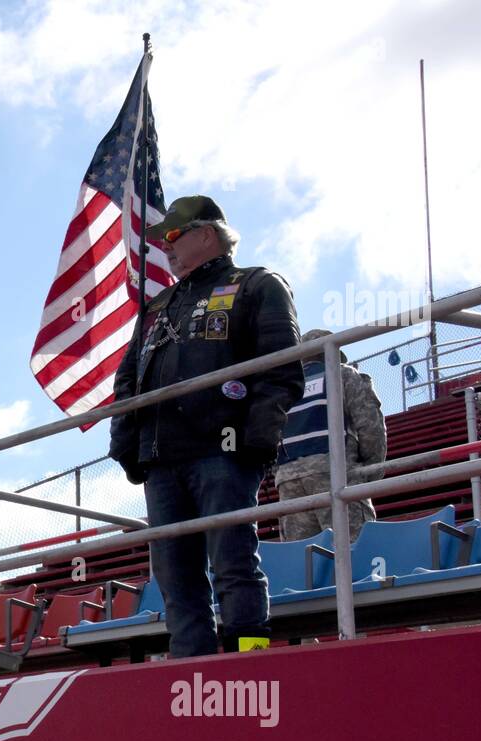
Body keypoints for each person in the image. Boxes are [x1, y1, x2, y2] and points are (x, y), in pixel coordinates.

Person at [109, 195, 304, 658]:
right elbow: (127, 381)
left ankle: (251, 660)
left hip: (224, 452)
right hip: (161, 461)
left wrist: (257, 441)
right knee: (175, 580)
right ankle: (188, 669)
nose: (166, 248)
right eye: (162, 241)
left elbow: (281, 370)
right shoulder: (157, 306)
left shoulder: (258, 284)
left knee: (234, 565)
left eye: (174, 237)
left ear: (207, 234)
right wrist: (128, 449)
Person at [275, 329, 388, 541]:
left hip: (288, 479)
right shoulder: (343, 374)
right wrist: (368, 471)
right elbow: (370, 426)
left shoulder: (285, 388)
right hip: (335, 472)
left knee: (303, 560)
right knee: (354, 550)